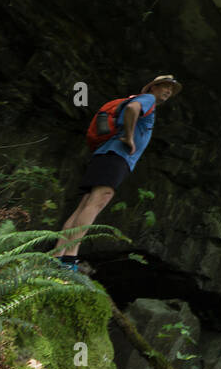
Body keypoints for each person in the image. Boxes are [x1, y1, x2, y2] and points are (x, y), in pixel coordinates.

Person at [54, 75, 182, 270]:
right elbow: (132, 109)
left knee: (85, 205)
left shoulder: (145, 101)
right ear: (153, 87)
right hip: (117, 156)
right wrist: (129, 138)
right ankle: (70, 257)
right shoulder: (147, 99)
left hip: (106, 154)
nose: (168, 91)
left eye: (171, 89)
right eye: (165, 86)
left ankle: (57, 254)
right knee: (99, 200)